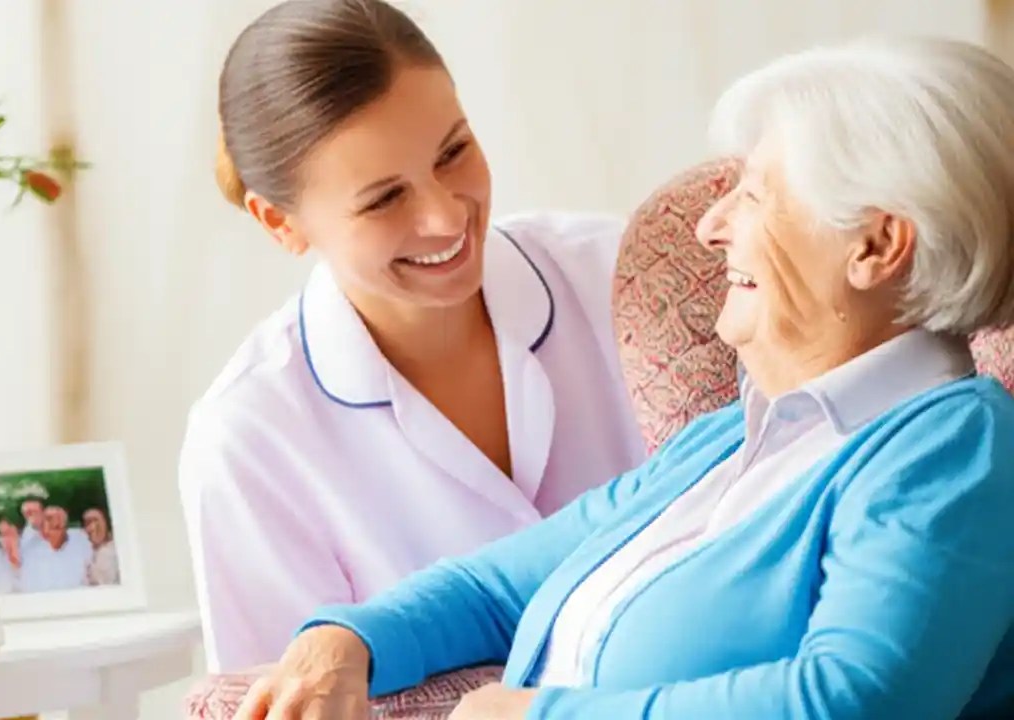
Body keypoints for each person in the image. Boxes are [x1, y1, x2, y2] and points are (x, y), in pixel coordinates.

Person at [237, 36, 1014, 719]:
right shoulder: (730, 442)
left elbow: (853, 701)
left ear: (876, 247)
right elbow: (498, 586)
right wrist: (343, 640)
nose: (712, 227)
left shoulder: (952, 446)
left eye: (754, 197)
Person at [178, 0, 647, 672]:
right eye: (384, 199)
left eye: (453, 151)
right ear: (280, 224)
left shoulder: (625, 276)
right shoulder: (250, 439)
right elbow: (289, 699)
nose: (445, 214)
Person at [83, 507, 119, 586]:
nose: (92, 527)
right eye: (87, 523)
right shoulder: (88, 553)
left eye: (96, 521)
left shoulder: (115, 551)